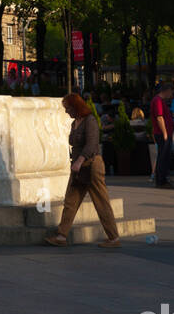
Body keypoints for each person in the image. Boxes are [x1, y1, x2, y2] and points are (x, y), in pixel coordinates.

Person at [45, 93, 120, 249]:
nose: (66, 112)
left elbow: (92, 144)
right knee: (70, 201)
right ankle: (61, 236)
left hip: (92, 166)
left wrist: (79, 161)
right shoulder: (75, 123)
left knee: (101, 202)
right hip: (78, 167)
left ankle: (114, 238)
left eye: (68, 108)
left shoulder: (90, 121)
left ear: (76, 107)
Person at [150, 82, 174, 189]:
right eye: (171, 92)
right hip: (162, 134)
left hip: (164, 133)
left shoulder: (159, 101)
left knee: (164, 156)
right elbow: (159, 117)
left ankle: (162, 179)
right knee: (163, 157)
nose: (171, 95)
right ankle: (161, 180)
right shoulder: (158, 101)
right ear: (167, 91)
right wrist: (165, 133)